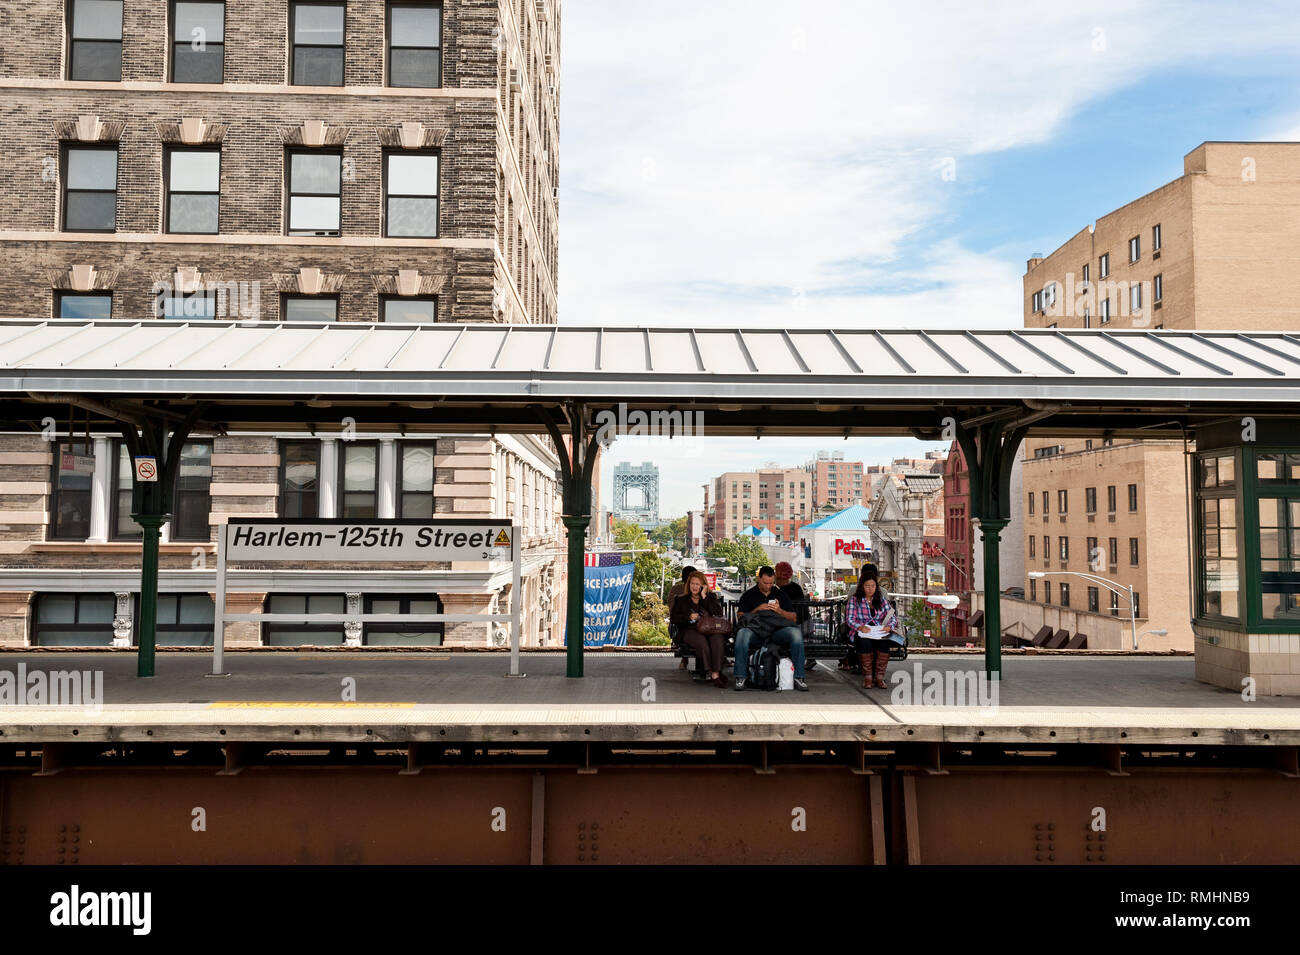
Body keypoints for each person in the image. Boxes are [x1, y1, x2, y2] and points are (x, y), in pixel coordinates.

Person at [733, 566, 808, 691]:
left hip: (777, 632)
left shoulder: (780, 594)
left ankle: (799, 677)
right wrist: (757, 609)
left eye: (771, 583)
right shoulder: (749, 595)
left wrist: (779, 610)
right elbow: (740, 616)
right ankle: (741, 676)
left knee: (795, 633)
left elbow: (793, 618)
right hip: (756, 631)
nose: (768, 586)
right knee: (742, 634)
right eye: (765, 583)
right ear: (759, 579)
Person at [669, 571, 728, 688]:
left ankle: (716, 672)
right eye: (692, 584)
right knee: (701, 643)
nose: (694, 587)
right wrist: (688, 617)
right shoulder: (681, 599)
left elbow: (718, 612)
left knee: (717, 639)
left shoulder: (710, 597)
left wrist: (704, 597)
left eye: (697, 584)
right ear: (688, 585)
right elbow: (674, 618)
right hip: (689, 629)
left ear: (703, 585)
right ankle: (711, 672)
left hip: (709, 629)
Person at [846, 572, 897, 688]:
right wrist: (860, 627)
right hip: (862, 632)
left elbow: (892, 617)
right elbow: (849, 619)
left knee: (885, 643)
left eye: (873, 586)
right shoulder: (855, 600)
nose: (870, 589)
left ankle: (879, 677)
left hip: (878, 632)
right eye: (867, 586)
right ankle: (868, 677)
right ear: (862, 586)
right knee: (865, 644)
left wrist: (889, 626)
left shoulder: (882, 600)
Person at [667, 566, 696, 669]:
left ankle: (684, 660)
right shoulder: (679, 590)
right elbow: (672, 608)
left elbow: (670, 607)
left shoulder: (676, 589)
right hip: (682, 623)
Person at [773, 561, 809, 630]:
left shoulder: (790, 589)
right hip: (802, 624)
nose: (774, 576)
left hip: (797, 626)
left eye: (776, 574)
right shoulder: (796, 587)